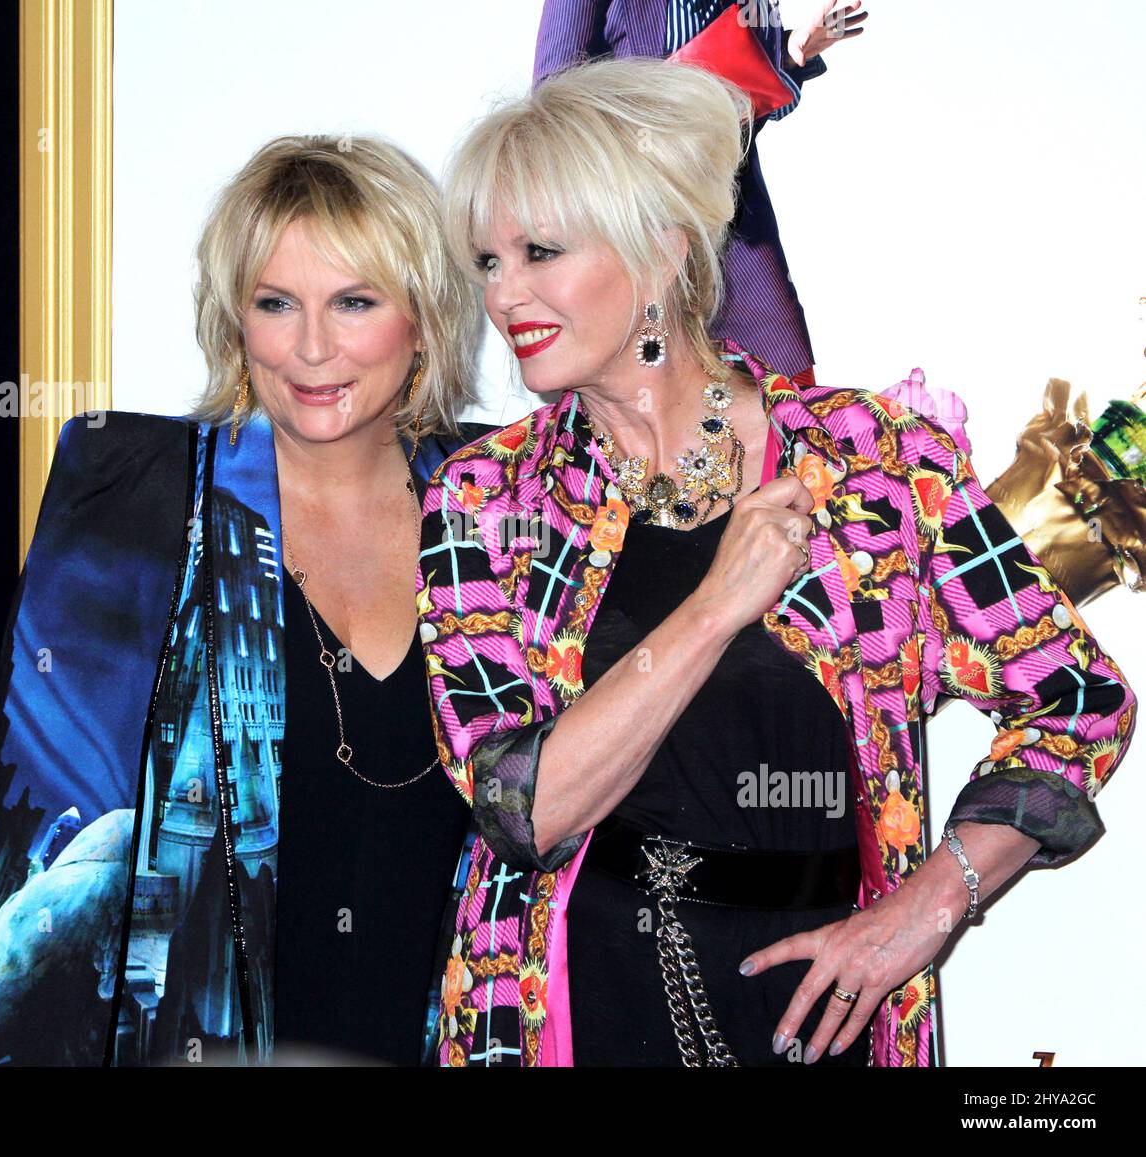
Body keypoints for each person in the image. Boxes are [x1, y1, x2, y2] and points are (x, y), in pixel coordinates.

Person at [417, 56, 1136, 1067]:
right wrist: (715, 606)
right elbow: (519, 806)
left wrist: (929, 906)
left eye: (540, 250)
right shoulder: (487, 497)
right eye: (486, 261)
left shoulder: (874, 460)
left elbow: (1073, 700)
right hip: (573, 1003)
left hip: (824, 1012)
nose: (505, 293)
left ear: (665, 252)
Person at [0, 135, 488, 1066]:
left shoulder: (497, 494)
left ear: (425, 319)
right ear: (236, 321)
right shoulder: (133, 488)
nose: (312, 346)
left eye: (354, 302)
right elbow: (29, 898)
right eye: (276, 304)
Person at [533, 0, 866, 381]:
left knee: (783, 404)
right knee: (647, 403)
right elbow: (553, 101)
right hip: (635, 231)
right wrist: (677, 105)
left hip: (736, 226)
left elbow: (745, 111)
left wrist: (792, 54)